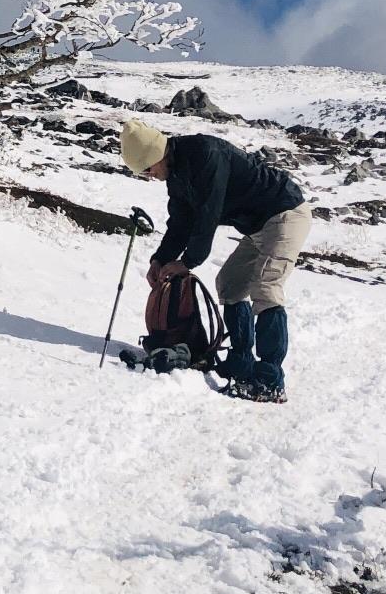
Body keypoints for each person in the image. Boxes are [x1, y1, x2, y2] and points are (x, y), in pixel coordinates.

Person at [119, 119, 309, 404]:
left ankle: (270, 381)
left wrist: (188, 262)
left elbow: (208, 214)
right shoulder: (177, 174)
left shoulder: (205, 155)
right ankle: (241, 362)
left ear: (155, 153)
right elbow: (180, 224)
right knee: (230, 283)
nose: (149, 175)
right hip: (257, 227)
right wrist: (161, 260)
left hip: (284, 213)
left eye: (147, 169)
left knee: (266, 287)